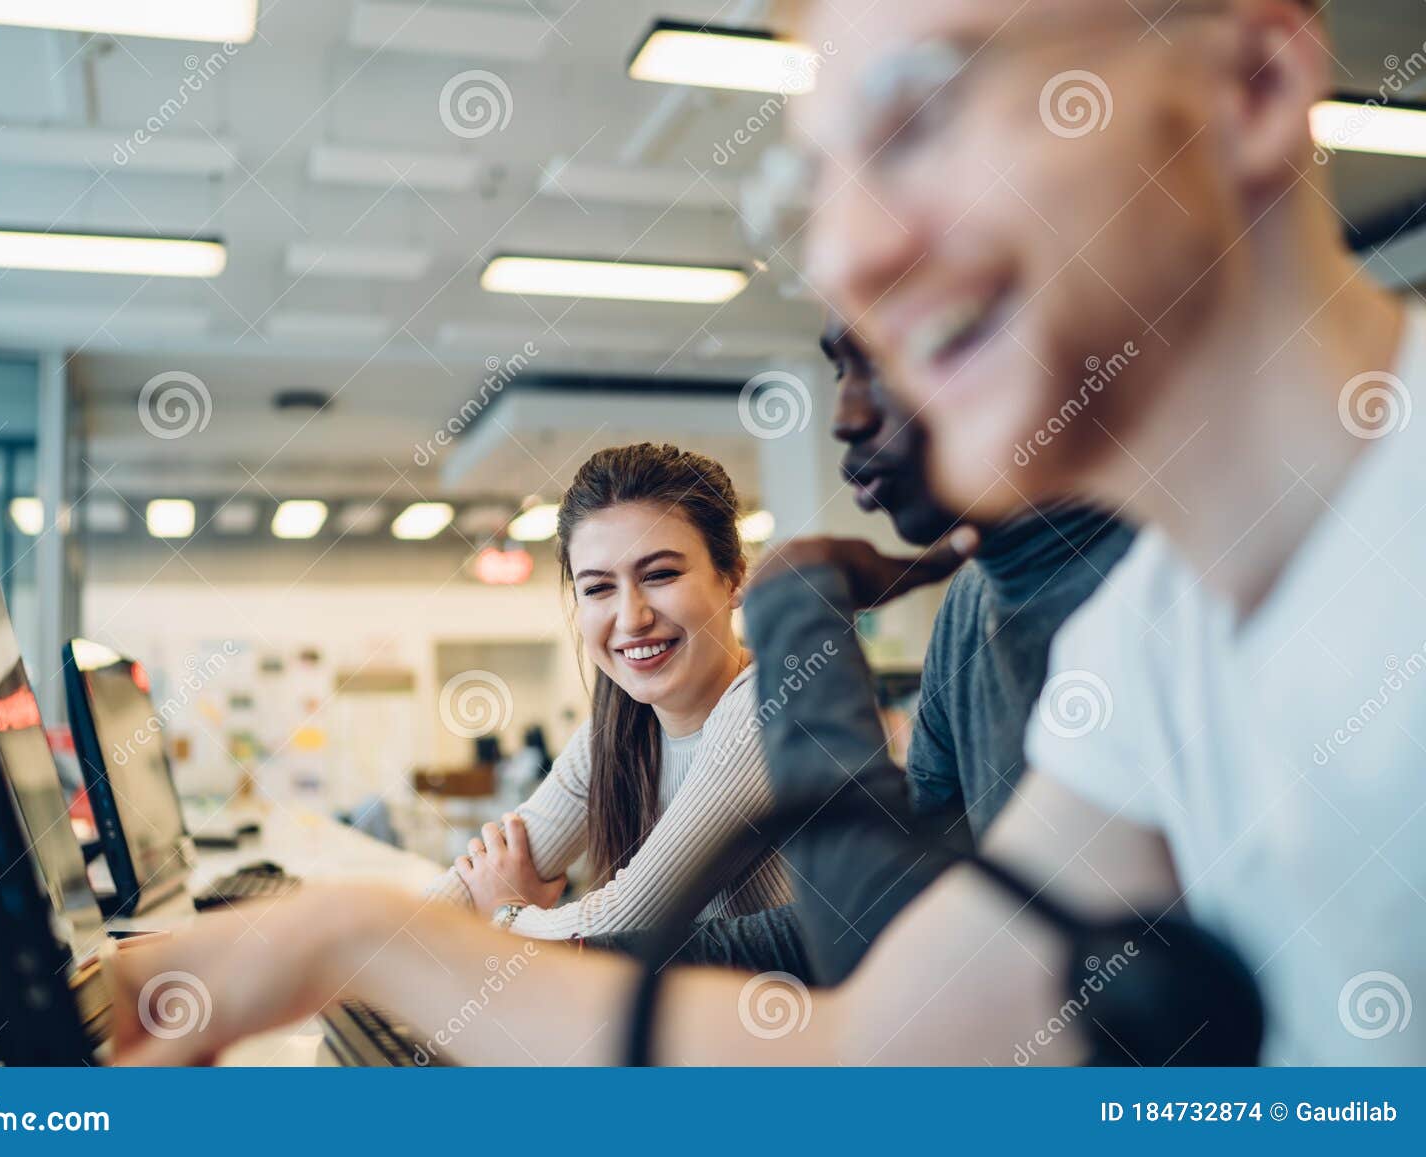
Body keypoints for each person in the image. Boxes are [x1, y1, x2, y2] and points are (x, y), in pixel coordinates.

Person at [117, 0, 1426, 1066]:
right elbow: (894, 1043)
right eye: (816, 186)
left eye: (923, 113)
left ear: (1251, 83)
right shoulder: (1156, 636)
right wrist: (351, 939)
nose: (849, 250)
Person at [601, 323, 1134, 983]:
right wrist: (562, 967)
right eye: (840, 373)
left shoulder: (1146, 600)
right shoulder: (972, 605)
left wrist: (798, 607)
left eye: (886, 358)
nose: (847, 418)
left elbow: (876, 943)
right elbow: (910, 912)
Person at [423, 443, 793, 939]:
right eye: (598, 588)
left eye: (660, 575)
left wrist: (506, 915)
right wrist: (360, 956)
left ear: (733, 578)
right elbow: (479, 881)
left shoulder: (765, 712)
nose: (631, 618)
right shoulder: (617, 728)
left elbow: (622, 925)